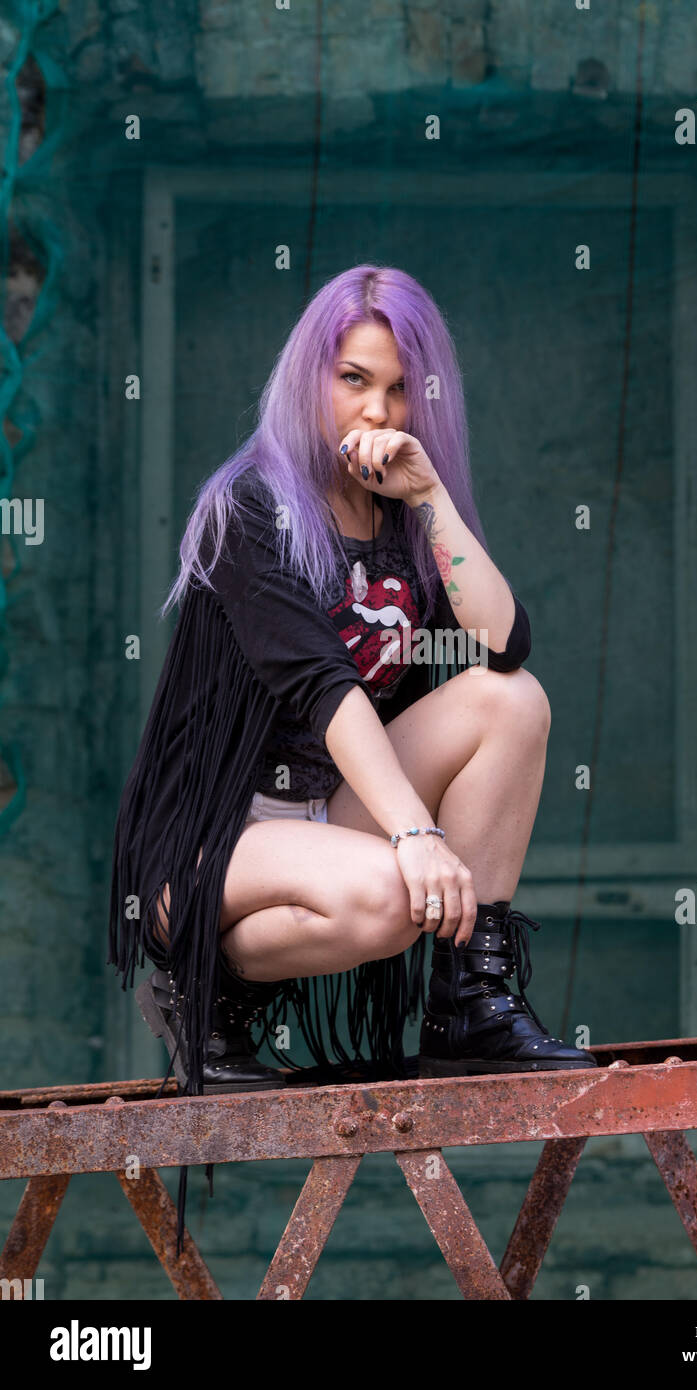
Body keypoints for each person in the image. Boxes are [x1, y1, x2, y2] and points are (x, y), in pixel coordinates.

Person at [108, 264, 596, 1245]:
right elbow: (320, 685)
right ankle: (207, 987)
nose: (376, 407)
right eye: (353, 378)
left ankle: (472, 1000)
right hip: (216, 838)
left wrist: (432, 501)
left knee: (513, 705)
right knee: (385, 895)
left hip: (331, 810)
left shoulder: (402, 517)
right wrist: (416, 831)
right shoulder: (252, 507)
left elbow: (503, 645)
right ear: (309, 377)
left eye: (399, 385)